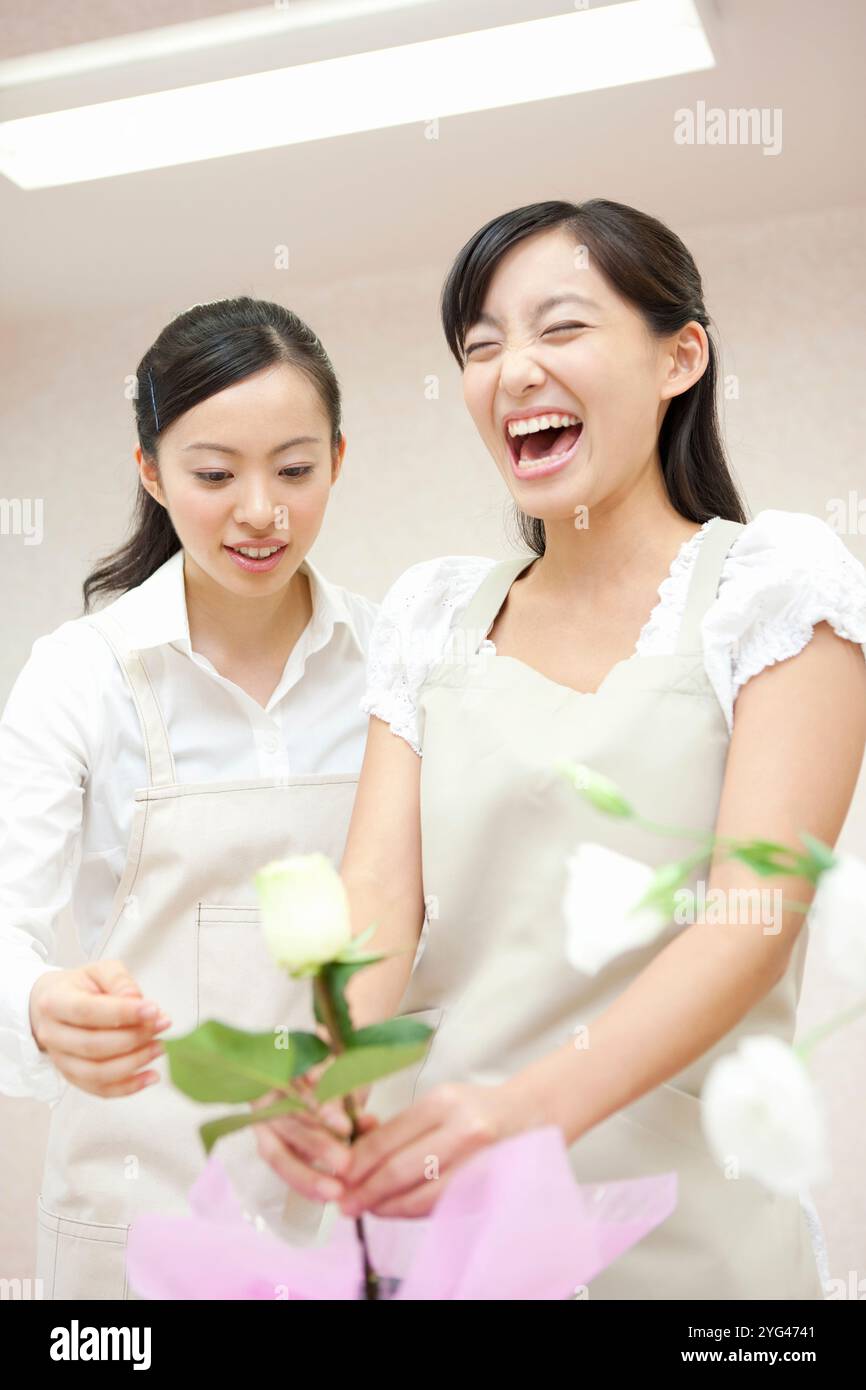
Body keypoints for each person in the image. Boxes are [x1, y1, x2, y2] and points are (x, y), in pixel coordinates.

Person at [256, 200, 866, 1300]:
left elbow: (751, 916)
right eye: (480, 346)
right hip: (454, 1220)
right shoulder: (432, 613)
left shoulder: (771, 589)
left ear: (679, 357)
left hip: (687, 1237)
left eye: (561, 328)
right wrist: (323, 1072)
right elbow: (377, 898)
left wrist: (524, 1110)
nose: (511, 371)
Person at [0, 297, 379, 1299]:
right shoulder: (78, 676)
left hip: (350, 1200)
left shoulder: (395, 663)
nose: (261, 509)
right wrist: (38, 1006)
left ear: (337, 461)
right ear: (151, 472)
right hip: (135, 1221)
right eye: (214, 473)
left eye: (294, 468)